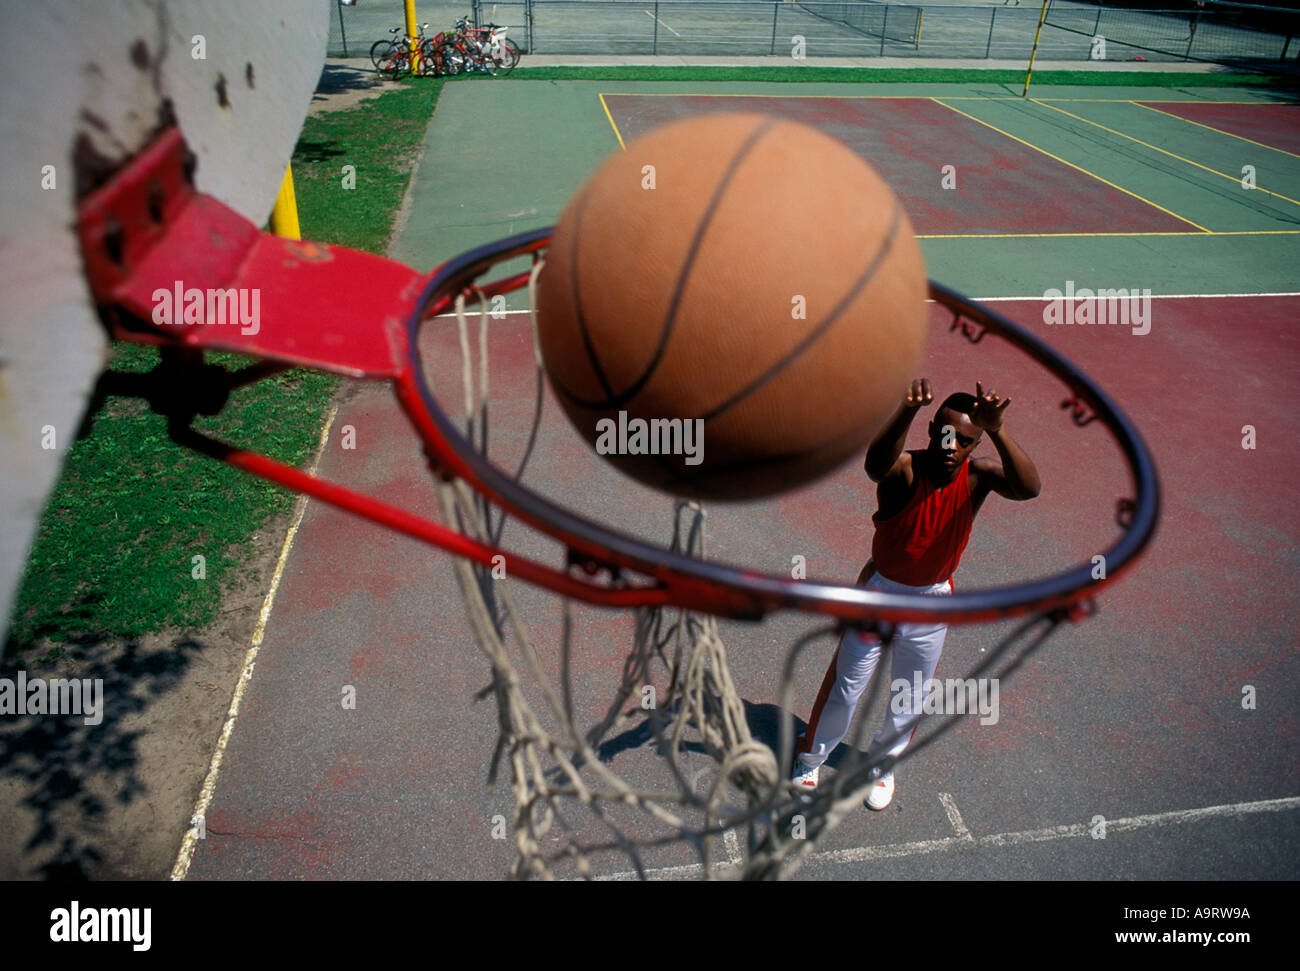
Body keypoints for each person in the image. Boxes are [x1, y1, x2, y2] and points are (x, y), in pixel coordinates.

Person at [791, 378, 1041, 809]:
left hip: (933, 600)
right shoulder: (905, 469)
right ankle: (811, 756)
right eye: (944, 434)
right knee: (847, 687)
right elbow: (875, 467)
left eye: (964, 440)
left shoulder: (978, 476)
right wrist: (904, 410)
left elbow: (1029, 488)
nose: (951, 446)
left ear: (974, 443)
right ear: (929, 430)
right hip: (881, 595)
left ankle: (881, 767)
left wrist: (998, 430)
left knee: (909, 693)